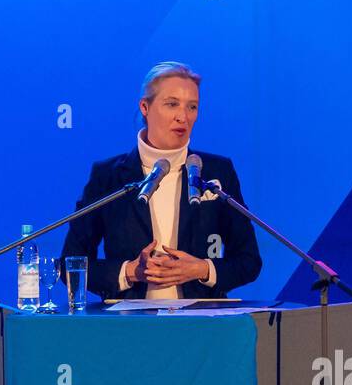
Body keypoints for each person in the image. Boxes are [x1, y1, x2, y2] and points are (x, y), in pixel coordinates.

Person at [60, 61, 261, 301]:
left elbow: (249, 261)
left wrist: (202, 269)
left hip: (202, 325)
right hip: (130, 327)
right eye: (172, 104)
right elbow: (70, 262)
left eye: (192, 107)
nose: (183, 117)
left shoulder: (216, 172)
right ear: (145, 107)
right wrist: (130, 272)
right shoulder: (109, 177)